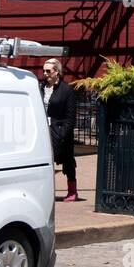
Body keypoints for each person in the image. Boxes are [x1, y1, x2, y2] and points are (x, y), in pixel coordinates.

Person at [42, 58, 79, 202]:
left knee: (67, 161)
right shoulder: (41, 87)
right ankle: (46, 191)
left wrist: (63, 133)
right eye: (44, 70)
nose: (45, 74)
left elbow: (71, 117)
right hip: (44, 130)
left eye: (48, 71)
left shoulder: (66, 90)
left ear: (56, 72)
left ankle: (72, 191)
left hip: (60, 131)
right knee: (45, 161)